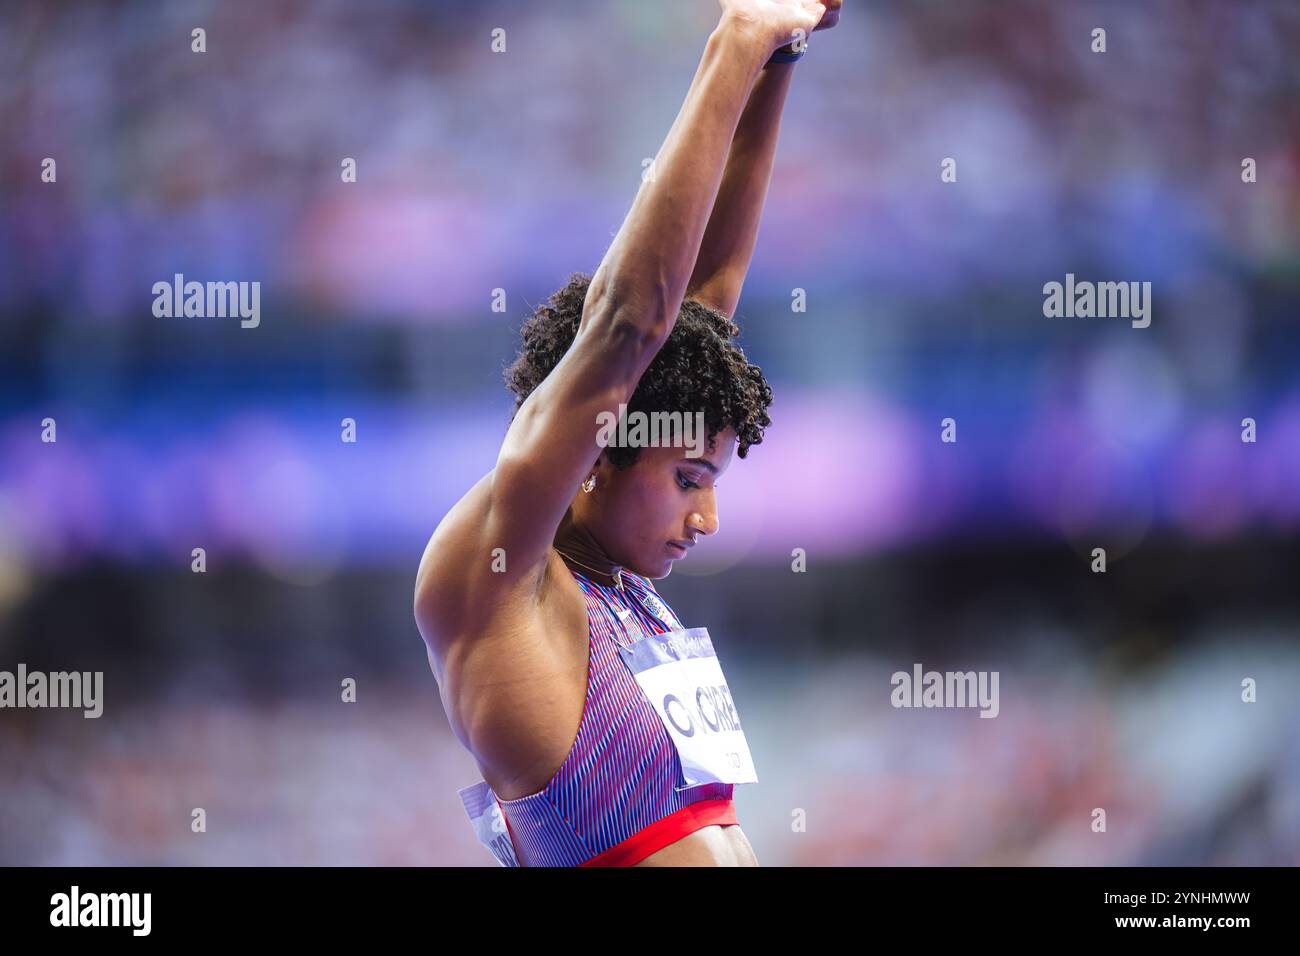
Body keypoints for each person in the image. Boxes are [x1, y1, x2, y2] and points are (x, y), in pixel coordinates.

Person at [414, 0, 843, 867]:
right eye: (690, 478)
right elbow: (630, 326)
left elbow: (699, 304)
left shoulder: (620, 581)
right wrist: (740, 38)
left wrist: (782, 58)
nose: (709, 520)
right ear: (598, 446)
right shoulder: (497, 582)